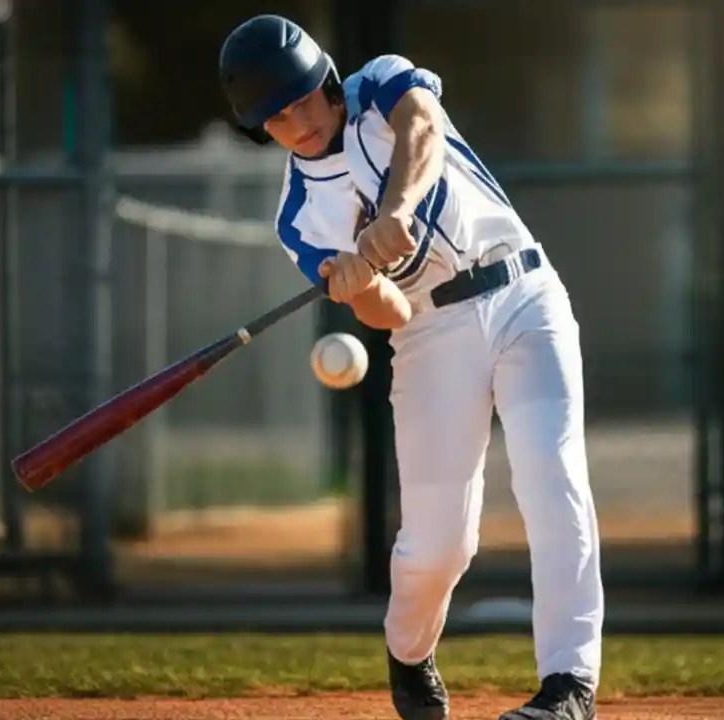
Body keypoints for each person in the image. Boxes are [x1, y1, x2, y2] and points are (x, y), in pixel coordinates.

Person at [217, 15, 604, 720]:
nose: (296, 122)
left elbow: (422, 126)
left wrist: (393, 212)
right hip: (432, 332)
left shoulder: (379, 85)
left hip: (524, 291)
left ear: (327, 81)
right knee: (439, 543)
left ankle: (568, 685)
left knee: (553, 477)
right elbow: (389, 314)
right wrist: (356, 283)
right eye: (275, 117)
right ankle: (409, 650)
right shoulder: (300, 215)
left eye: (301, 100)